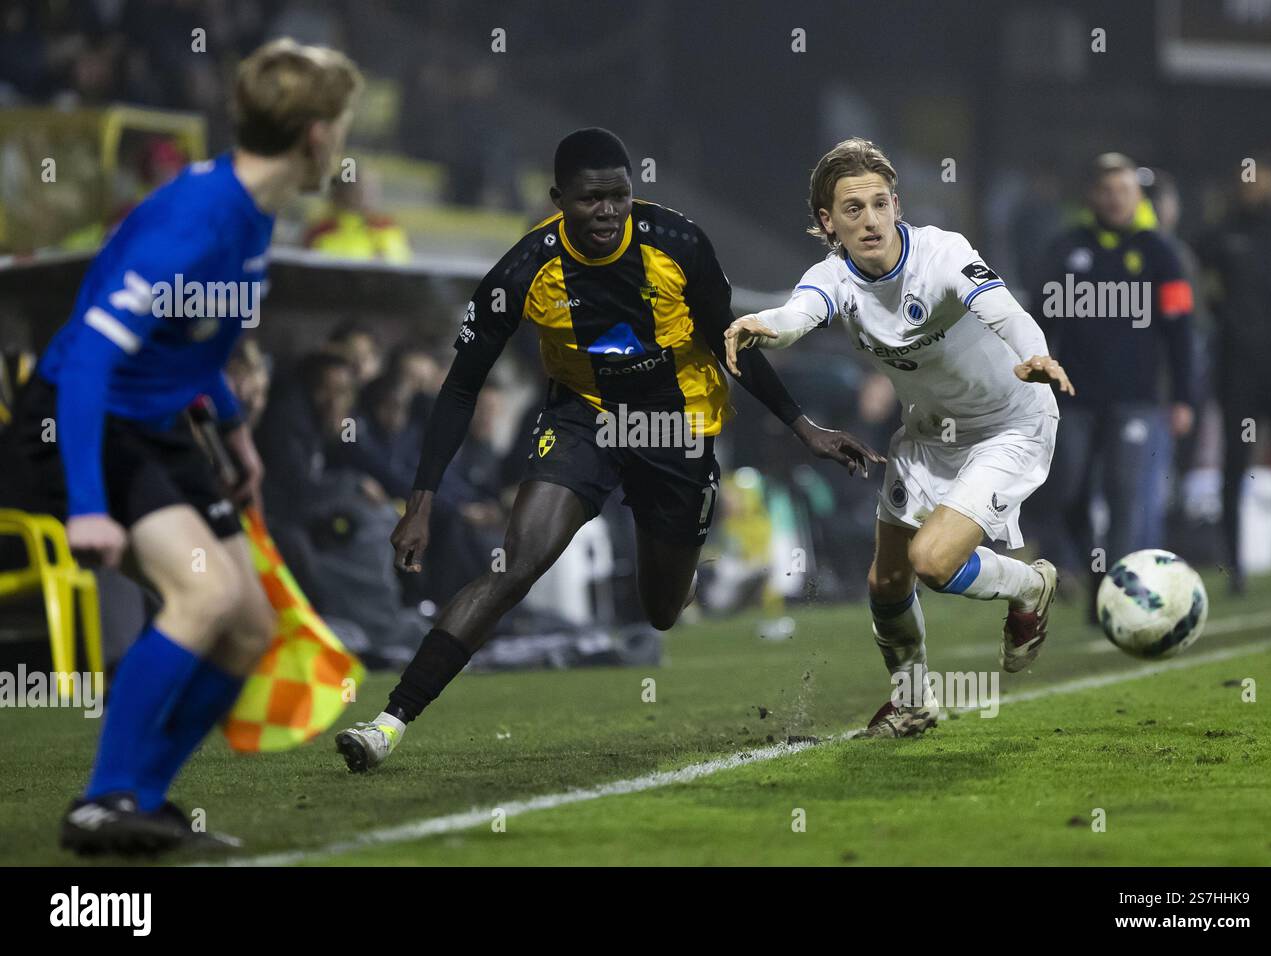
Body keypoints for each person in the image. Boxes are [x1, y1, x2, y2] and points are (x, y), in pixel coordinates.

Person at [336, 127, 878, 771]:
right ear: (558, 198)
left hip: (679, 430)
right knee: (516, 565)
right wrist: (420, 501)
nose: (607, 212)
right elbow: (459, 388)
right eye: (591, 199)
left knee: (661, 611)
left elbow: (733, 345)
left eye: (618, 196)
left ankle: (693, 566)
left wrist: (802, 427)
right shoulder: (522, 270)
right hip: (585, 421)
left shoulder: (679, 244)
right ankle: (390, 722)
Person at [6, 39, 361, 854]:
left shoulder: (248, 207)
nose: (341, 143)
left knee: (248, 630)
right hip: (80, 417)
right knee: (201, 599)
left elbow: (194, 343)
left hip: (159, 424)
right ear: (315, 136)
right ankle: (100, 803)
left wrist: (234, 432)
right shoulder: (197, 222)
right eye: (340, 125)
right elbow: (92, 356)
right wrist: (90, 506)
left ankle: (140, 804)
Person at [724, 138, 1073, 738]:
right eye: (852, 209)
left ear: (896, 205)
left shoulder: (942, 256)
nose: (870, 220)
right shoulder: (833, 277)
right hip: (930, 433)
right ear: (826, 222)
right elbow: (797, 315)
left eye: (880, 204)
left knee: (933, 563)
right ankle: (913, 702)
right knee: (887, 581)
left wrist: (1035, 355)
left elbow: (1005, 311)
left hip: (1009, 422)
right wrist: (763, 325)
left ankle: (1031, 584)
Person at [1032, 153, 1196, 609]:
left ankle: (1114, 592)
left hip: (1137, 399)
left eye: (1124, 190)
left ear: (1137, 196)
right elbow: (1039, 323)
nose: (1116, 199)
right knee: (1069, 488)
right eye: (1107, 190)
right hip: (1073, 397)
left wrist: (1183, 396)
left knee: (1125, 496)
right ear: (1092, 196)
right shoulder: (1065, 249)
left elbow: (1180, 327)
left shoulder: (1160, 252)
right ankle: (1080, 566)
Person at [1197, 160, 1271, 592]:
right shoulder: (1222, 233)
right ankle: (1234, 566)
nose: (1250, 187)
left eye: (1258, 179)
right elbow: (1198, 276)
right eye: (1244, 181)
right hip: (1239, 367)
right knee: (1235, 464)